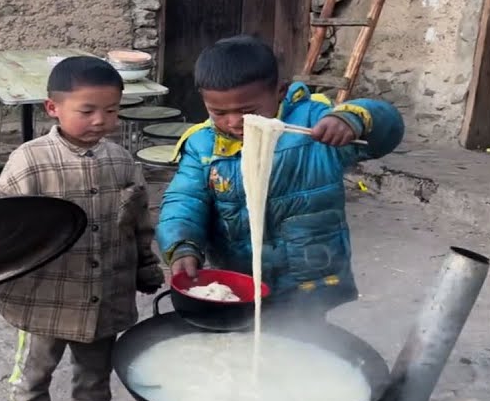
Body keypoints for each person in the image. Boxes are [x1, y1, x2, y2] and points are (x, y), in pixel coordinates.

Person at [0, 56, 163, 401]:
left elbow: (138, 222)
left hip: (106, 289)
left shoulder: (122, 161)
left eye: (112, 110)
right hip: (46, 294)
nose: (101, 120)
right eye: (88, 110)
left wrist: (146, 268)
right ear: (53, 108)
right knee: (36, 365)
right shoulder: (30, 159)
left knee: (96, 364)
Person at [156, 35, 404, 316]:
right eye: (219, 112)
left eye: (248, 111)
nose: (235, 122)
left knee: (302, 343)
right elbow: (185, 200)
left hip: (309, 278)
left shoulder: (315, 126)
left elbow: (387, 133)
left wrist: (355, 119)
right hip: (240, 279)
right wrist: (182, 245)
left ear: (280, 91)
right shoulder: (203, 145)